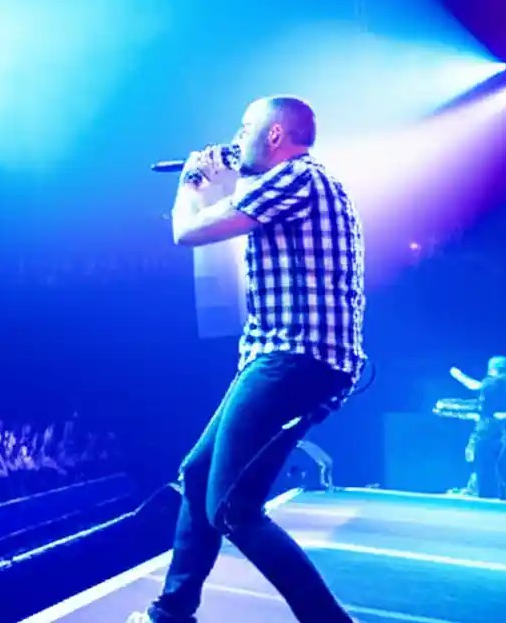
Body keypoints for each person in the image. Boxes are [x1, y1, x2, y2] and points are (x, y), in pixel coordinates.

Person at [130, 96, 366, 623]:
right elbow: (233, 205)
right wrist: (221, 178)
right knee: (198, 476)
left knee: (233, 509)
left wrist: (192, 180)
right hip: (286, 358)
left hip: (297, 357)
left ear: (275, 134)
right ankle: (171, 613)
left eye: (245, 128)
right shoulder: (292, 184)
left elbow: (188, 231)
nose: (237, 138)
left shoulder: (297, 177)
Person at [449, 357, 506, 499]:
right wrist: (459, 376)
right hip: (488, 431)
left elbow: (476, 387)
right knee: (483, 464)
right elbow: (477, 389)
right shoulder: (491, 384)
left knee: (504, 465)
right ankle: (486, 496)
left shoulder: (505, 384)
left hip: (504, 431)